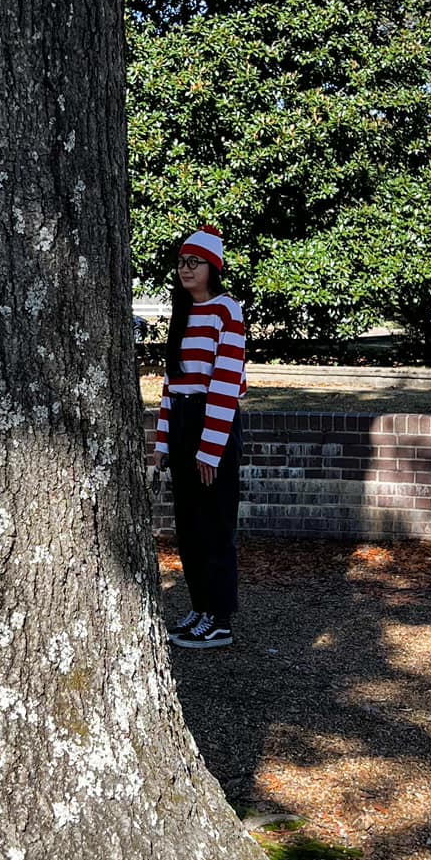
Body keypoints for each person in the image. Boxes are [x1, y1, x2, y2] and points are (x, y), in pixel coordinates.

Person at [153, 226, 246, 649]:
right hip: (183, 423)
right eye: (181, 262)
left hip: (215, 424)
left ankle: (220, 619)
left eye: (194, 262)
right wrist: (161, 444)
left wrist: (210, 450)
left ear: (213, 268)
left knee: (215, 524)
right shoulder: (182, 314)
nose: (185, 269)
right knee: (189, 526)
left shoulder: (228, 310)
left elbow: (226, 382)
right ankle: (200, 608)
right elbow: (172, 384)